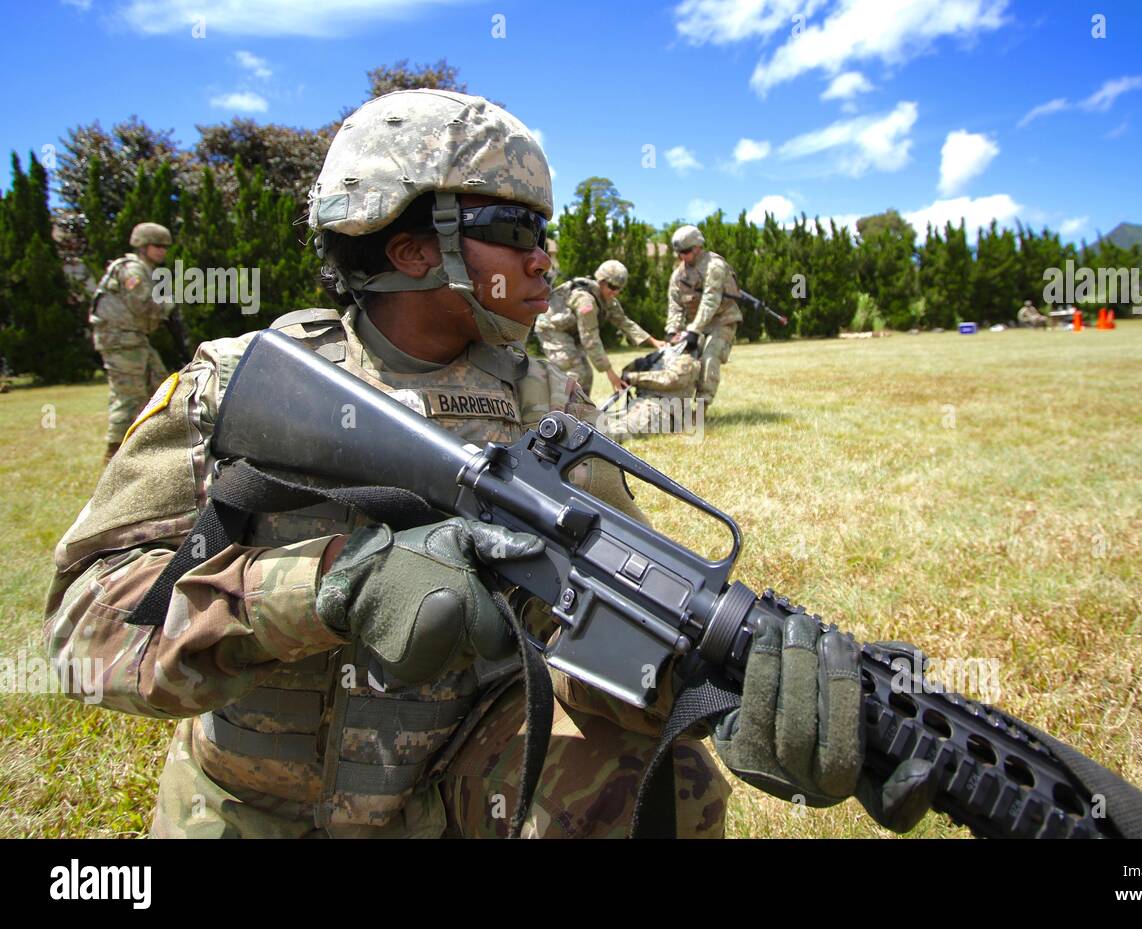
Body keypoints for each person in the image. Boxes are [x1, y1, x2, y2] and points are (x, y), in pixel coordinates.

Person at [44, 90, 733, 839]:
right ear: (409, 247)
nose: (544, 256)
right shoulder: (233, 386)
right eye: (515, 228)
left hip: (455, 788)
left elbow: (598, 619)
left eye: (545, 229)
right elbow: (87, 623)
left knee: (661, 788)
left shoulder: (548, 406)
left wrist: (722, 691)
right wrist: (332, 584)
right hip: (254, 808)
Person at [88, 222, 189, 464]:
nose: (162, 250)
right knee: (128, 394)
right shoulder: (132, 270)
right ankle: (114, 452)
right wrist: (168, 305)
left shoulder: (143, 270)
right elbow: (143, 304)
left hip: (133, 339)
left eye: (165, 246)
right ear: (142, 246)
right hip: (120, 341)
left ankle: (150, 442)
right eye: (157, 245)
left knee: (160, 387)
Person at [535, 259, 664, 395]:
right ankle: (560, 410)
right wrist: (610, 373)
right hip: (551, 330)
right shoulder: (586, 301)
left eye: (619, 289)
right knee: (575, 372)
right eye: (612, 287)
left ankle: (579, 410)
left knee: (587, 374)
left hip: (568, 332)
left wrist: (654, 341)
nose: (615, 292)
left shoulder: (607, 300)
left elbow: (625, 323)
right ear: (601, 281)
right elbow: (590, 338)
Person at [666, 225, 743, 409]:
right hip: (698, 325)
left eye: (685, 252)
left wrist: (693, 329)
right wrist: (672, 330)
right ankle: (678, 407)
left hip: (723, 320)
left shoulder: (714, 266)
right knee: (685, 361)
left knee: (709, 358)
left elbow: (711, 300)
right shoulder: (679, 275)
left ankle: (701, 409)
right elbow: (675, 305)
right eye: (679, 253)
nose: (682, 257)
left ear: (698, 247)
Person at [605, 333, 702, 440]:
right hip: (642, 404)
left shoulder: (686, 361)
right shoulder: (663, 356)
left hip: (661, 409)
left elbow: (670, 379)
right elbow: (627, 371)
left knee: (621, 430)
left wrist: (635, 377)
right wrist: (642, 363)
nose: (677, 334)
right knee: (607, 423)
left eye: (682, 333)